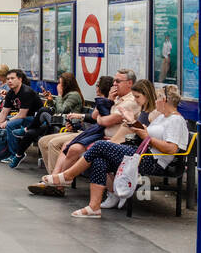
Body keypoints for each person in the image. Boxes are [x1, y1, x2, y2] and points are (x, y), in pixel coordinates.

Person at [56, 83, 186, 219]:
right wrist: (132, 122)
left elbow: (171, 148)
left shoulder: (175, 120)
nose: (155, 101)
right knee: (100, 159)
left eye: (158, 98)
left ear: (164, 100)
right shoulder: (161, 117)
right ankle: (94, 207)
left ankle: (67, 176)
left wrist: (147, 137)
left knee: (100, 146)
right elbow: (147, 133)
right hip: (142, 154)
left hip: (153, 160)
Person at [35, 69, 141, 194]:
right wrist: (109, 99)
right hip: (98, 133)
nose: (115, 84)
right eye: (114, 81)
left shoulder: (130, 101)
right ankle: (56, 181)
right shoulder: (116, 98)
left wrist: (102, 118)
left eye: (118, 81)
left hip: (109, 138)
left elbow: (105, 121)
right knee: (61, 144)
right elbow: (97, 116)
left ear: (129, 83)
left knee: (68, 147)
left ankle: (58, 183)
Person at [33, 72, 85, 176]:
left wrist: (59, 95)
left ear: (66, 85)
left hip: (68, 123)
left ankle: (29, 130)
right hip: (61, 121)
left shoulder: (74, 95)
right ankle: (52, 176)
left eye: (60, 83)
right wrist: (51, 100)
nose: (58, 86)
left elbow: (62, 110)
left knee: (43, 113)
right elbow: (57, 109)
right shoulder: (68, 94)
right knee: (42, 133)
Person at [0, 68, 41, 167]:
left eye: (12, 78)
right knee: (3, 124)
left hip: (36, 120)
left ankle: (16, 154)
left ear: (20, 79)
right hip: (25, 119)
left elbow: (22, 115)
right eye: (8, 79)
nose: (9, 81)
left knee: (10, 125)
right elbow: (4, 112)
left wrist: (7, 122)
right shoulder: (11, 93)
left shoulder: (26, 92)